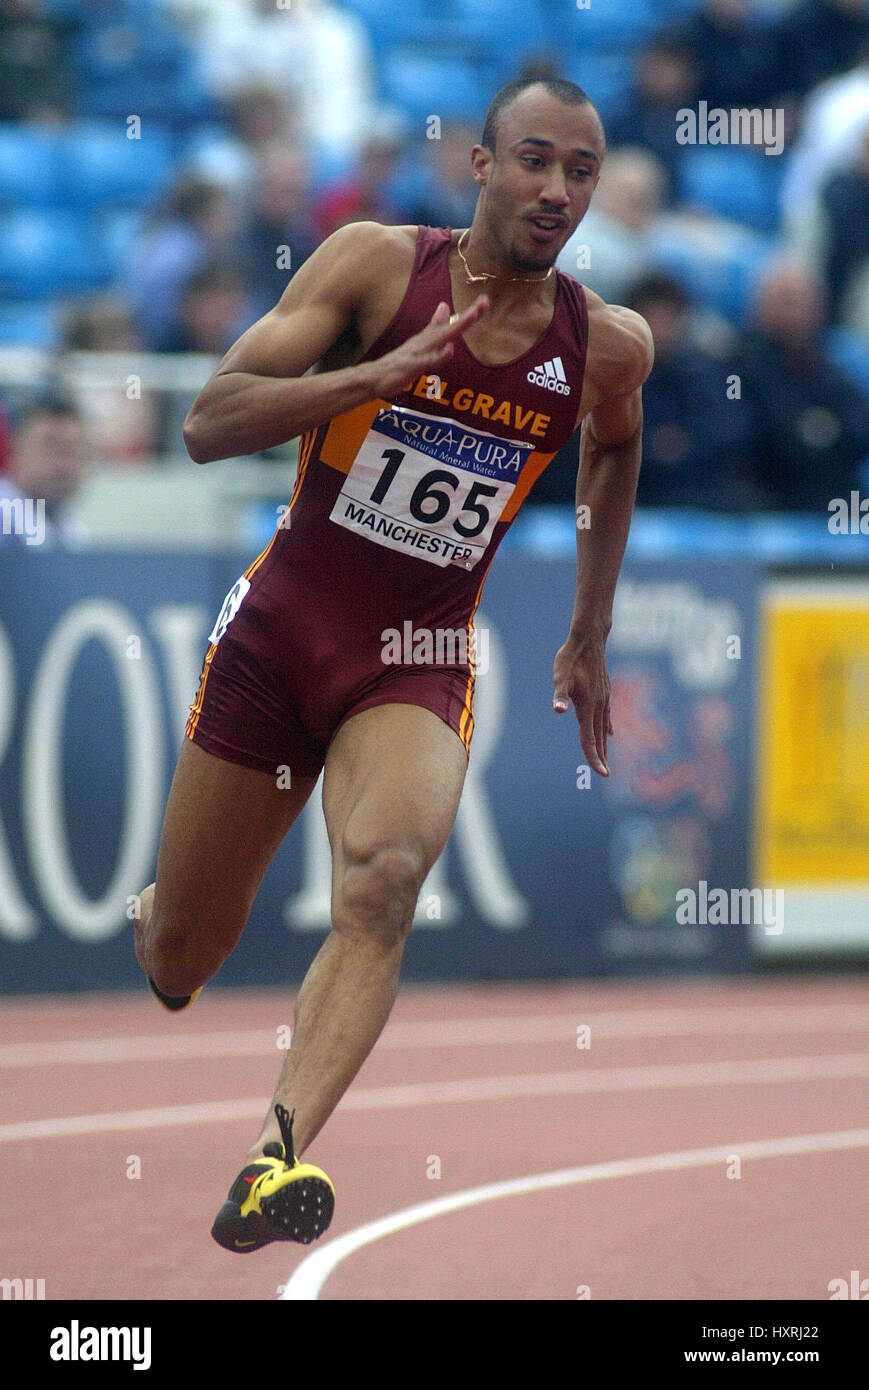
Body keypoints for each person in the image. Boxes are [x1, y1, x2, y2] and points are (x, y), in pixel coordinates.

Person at [132, 76, 653, 1253]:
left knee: (384, 876)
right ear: (478, 165)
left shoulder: (602, 343)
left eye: (580, 172)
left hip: (414, 660)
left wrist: (589, 626)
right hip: (280, 635)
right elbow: (209, 420)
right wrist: (370, 378)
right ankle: (168, 913)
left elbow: (613, 450)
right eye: (533, 160)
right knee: (181, 959)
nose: (556, 191)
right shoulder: (373, 266)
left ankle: (273, 1159)